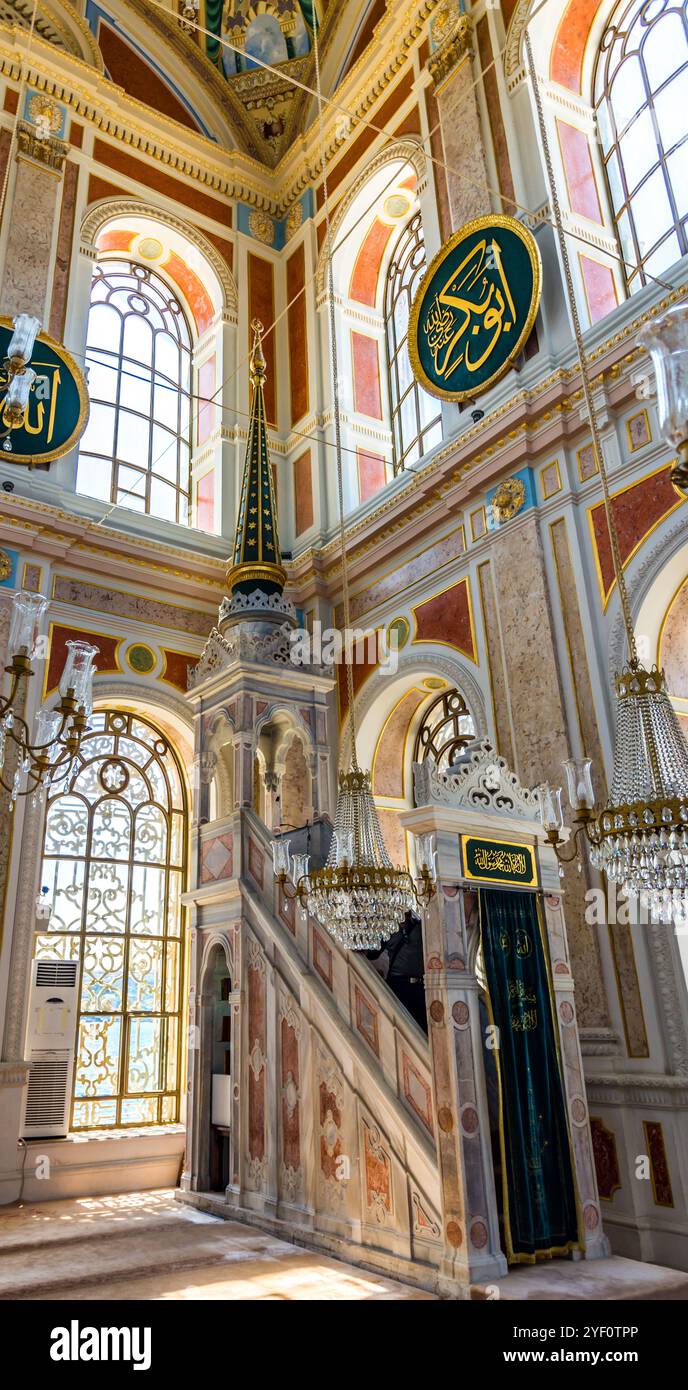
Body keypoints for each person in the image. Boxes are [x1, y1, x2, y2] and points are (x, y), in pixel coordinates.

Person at [379, 910, 427, 1033]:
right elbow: (374, 952)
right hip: (398, 984)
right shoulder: (388, 925)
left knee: (421, 1028)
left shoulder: (421, 924)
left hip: (421, 986)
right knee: (404, 1027)